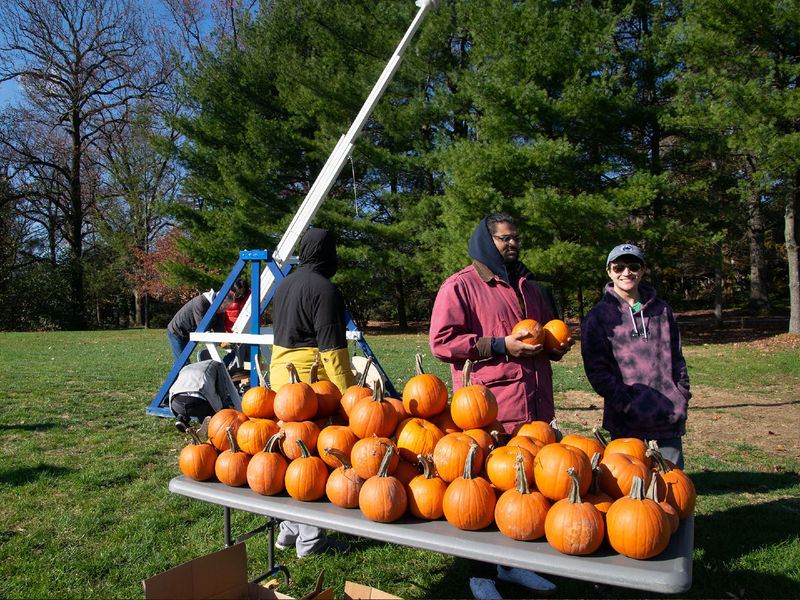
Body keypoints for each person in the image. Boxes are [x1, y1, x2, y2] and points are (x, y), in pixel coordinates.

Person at [429, 212, 571, 599]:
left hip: (536, 405)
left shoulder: (530, 286)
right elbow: (442, 342)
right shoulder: (461, 286)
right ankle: (480, 574)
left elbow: (542, 334)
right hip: (493, 408)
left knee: (527, 491)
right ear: (484, 242)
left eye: (515, 238)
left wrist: (554, 347)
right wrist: (498, 344)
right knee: (485, 493)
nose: (512, 244)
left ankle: (515, 565)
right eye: (504, 238)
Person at [269, 227, 354, 558]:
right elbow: (332, 350)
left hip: (280, 381)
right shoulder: (325, 289)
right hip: (312, 387)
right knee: (313, 462)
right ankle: (312, 541)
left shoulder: (284, 285)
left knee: (293, 456)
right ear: (328, 254)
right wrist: (350, 396)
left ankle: (288, 530)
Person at [581, 243, 690, 469]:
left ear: (642, 270)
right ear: (609, 272)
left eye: (632, 266)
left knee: (671, 484)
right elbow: (596, 369)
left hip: (666, 415)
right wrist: (624, 403)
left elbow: (677, 357)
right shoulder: (598, 316)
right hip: (625, 420)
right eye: (619, 267)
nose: (626, 273)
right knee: (630, 486)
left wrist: (681, 394)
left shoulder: (662, 310)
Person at [167, 288, 235, 366]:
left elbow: (219, 327)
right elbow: (202, 327)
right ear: (219, 302)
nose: (224, 311)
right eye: (224, 308)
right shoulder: (201, 302)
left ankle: (177, 377)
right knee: (183, 363)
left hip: (189, 332)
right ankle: (178, 378)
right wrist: (219, 342)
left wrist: (225, 339)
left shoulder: (218, 308)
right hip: (177, 331)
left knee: (182, 362)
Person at [169, 359, 241, 428]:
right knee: (216, 407)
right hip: (197, 404)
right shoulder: (217, 366)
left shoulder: (187, 367)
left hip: (176, 403)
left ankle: (181, 418)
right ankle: (212, 420)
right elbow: (221, 390)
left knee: (185, 401)